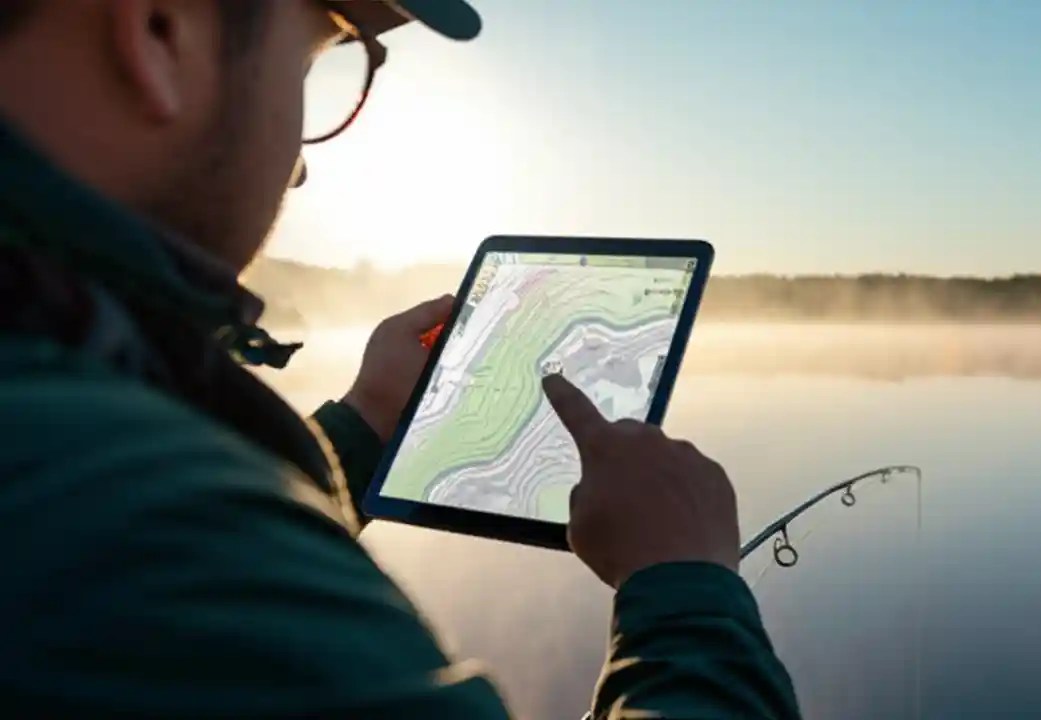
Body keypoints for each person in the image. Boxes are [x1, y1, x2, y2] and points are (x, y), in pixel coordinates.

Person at [0, 1, 801, 718]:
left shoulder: (63, 415)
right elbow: (175, 550)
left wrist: (366, 423)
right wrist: (686, 588)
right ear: (159, 29)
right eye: (307, 65)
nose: (299, 166)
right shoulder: (143, 525)